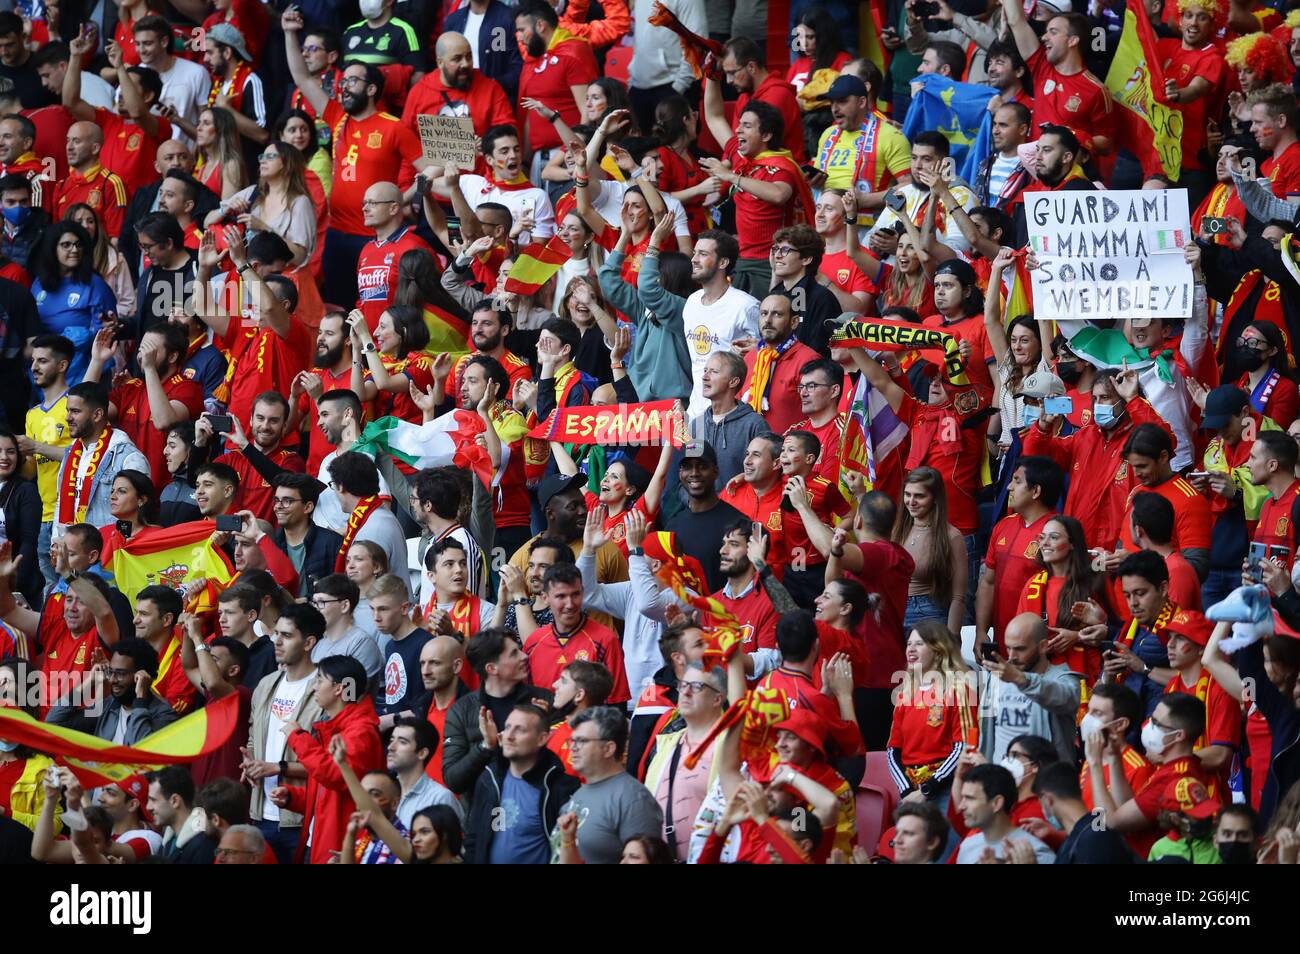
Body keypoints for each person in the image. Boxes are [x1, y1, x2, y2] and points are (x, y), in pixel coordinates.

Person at [282, 7, 422, 309]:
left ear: (371, 89)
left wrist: (401, 199)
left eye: (353, 82)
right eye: (343, 82)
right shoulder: (337, 117)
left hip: (375, 236)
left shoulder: (394, 126)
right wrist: (289, 33)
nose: (344, 87)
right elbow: (302, 78)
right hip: (337, 235)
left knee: (374, 310)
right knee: (337, 308)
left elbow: (429, 170)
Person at [268, 655, 385, 864]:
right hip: (323, 840)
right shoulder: (338, 726)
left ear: (340, 688)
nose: (314, 687)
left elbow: (337, 776)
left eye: (320, 680)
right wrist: (294, 798)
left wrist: (298, 737)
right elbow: (329, 792)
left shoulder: (360, 732)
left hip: (341, 847)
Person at [242, 603, 324, 864]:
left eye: (286, 636)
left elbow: (330, 765)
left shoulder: (326, 689)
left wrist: (278, 768)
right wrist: (252, 763)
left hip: (301, 819)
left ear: (309, 642)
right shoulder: (266, 684)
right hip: (261, 813)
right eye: (276, 633)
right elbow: (254, 735)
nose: (276, 641)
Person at [463, 702, 579, 864]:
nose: (509, 735)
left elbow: (569, 849)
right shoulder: (490, 779)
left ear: (542, 739)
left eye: (520, 729)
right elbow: (474, 838)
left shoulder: (559, 787)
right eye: (508, 727)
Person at [1000, 0, 1114, 154]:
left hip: (1072, 175)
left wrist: (1072, 137)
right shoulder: (1041, 67)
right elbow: (1016, 21)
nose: (1044, 37)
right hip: (1034, 172)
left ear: (1072, 40)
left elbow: (1106, 142)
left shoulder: (1096, 90)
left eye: (1053, 32)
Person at [557, 705, 665, 864]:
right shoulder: (581, 792)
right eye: (572, 740)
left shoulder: (634, 799)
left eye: (582, 741)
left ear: (608, 749)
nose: (572, 747)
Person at [887, 621, 976, 812]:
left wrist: (928, 789)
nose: (911, 649)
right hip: (910, 790)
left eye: (919, 644)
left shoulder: (959, 690)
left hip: (945, 789)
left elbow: (964, 747)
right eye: (909, 644)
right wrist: (907, 791)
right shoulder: (904, 694)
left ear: (938, 650)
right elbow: (893, 750)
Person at [978, 613, 1085, 765]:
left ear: (1043, 646)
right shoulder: (997, 677)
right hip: (1003, 779)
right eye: (1008, 648)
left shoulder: (1062, 679)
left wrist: (1021, 680)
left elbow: (1063, 697)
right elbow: (987, 735)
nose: (1012, 656)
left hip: (1045, 782)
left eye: (1020, 649)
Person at [977, 457, 1061, 649]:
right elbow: (988, 582)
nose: (1009, 488)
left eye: (1017, 481)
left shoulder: (1058, 531)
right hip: (1001, 644)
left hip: (1039, 649)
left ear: (1036, 491)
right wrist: (981, 631)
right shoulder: (1003, 526)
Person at [52, 381, 150, 536]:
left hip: (108, 552)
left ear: (97, 415)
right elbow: (60, 504)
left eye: (75, 411)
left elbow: (137, 513)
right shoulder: (71, 452)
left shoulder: (128, 456)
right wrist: (57, 541)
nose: (67, 417)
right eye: (67, 411)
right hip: (72, 551)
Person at [523, 563, 630, 704]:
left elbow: (617, 703)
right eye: (561, 596)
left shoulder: (606, 640)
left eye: (575, 594)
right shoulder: (534, 642)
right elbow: (524, 697)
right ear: (545, 597)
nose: (570, 604)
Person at [688, 352, 768, 487]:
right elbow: (688, 471)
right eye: (705, 370)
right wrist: (689, 501)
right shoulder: (697, 425)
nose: (704, 377)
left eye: (713, 372)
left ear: (733, 381)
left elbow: (767, 475)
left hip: (738, 507)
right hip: (699, 507)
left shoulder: (754, 424)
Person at [328, 451, 409, 583]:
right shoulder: (373, 516)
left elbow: (369, 586)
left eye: (333, 485)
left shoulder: (373, 527)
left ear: (341, 486)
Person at [1034, 762, 1135, 864]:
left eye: (1041, 804)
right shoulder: (1093, 831)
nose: (1043, 810)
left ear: (1047, 799)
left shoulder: (1094, 839)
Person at [955, 763, 1055, 863]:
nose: (961, 806)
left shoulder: (1036, 853)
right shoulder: (967, 846)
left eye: (970, 798)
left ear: (997, 803)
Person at [369, 573, 432, 724]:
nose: (376, 617)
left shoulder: (426, 645)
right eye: (372, 609)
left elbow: (429, 705)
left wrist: (390, 720)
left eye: (383, 609)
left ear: (404, 609)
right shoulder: (390, 646)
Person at [272, 473, 344, 598]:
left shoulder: (333, 543)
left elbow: (340, 592)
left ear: (308, 507)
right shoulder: (271, 543)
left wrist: (307, 601)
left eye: (287, 501)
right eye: (276, 500)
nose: (278, 506)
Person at [309, 574, 384, 683]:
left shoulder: (361, 644)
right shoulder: (319, 645)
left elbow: (352, 694)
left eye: (321, 602)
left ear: (344, 606)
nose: (316, 608)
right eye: (314, 602)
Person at [0, 428, 42, 605]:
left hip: (15, 583)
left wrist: (14, 583)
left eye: (11, 452)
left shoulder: (25, 491)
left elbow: (29, 542)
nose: (4, 457)